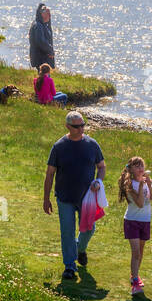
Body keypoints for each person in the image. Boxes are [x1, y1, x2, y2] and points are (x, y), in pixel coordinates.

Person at [43, 111, 106, 281]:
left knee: (89, 228)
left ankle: (80, 248)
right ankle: (69, 266)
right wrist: (46, 198)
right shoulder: (59, 147)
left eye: (83, 125)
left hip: (87, 197)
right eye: (77, 126)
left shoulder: (92, 144)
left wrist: (98, 181)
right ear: (68, 126)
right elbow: (50, 174)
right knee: (67, 232)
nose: (81, 129)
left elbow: (101, 166)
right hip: (64, 197)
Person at [119, 156, 152, 295]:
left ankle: (134, 275)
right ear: (131, 169)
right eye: (137, 166)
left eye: (142, 165)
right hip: (132, 221)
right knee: (135, 252)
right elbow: (140, 204)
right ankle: (135, 283)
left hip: (145, 220)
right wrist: (142, 185)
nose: (141, 168)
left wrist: (149, 185)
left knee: (140, 253)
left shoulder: (147, 182)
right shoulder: (129, 185)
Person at [28, 3, 55, 69]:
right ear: (39, 13)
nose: (46, 12)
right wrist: (50, 51)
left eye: (47, 10)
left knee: (45, 78)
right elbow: (41, 42)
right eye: (43, 10)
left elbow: (49, 35)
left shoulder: (44, 25)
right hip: (41, 59)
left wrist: (49, 18)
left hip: (44, 58)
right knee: (44, 77)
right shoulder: (38, 25)